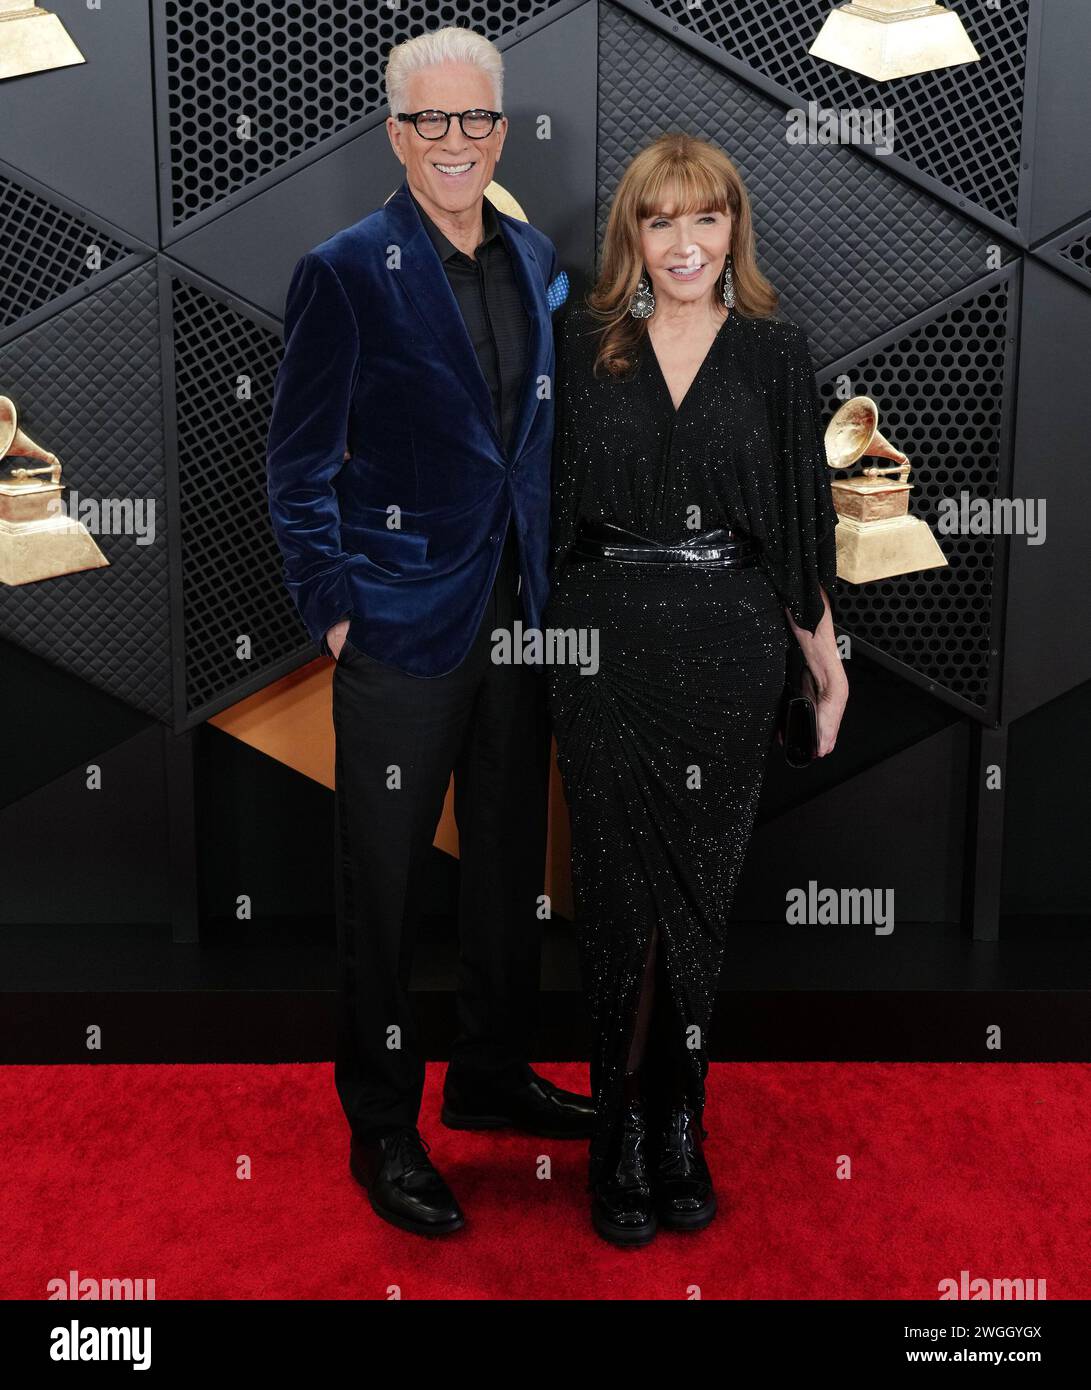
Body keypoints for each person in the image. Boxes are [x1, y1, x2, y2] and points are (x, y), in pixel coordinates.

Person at [266, 25, 593, 1240]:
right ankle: (384, 1127)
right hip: (399, 629)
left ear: (500, 131)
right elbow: (295, 468)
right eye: (428, 124)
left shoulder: (532, 256)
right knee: (388, 889)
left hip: (517, 620)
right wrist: (337, 611)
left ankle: (493, 1075)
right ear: (396, 135)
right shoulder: (345, 270)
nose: (454, 143)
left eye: (474, 123)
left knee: (508, 870)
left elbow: (536, 449)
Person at [544, 133, 849, 1246]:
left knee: (695, 912)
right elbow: (543, 515)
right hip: (604, 648)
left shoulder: (774, 352)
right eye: (659, 220)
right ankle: (618, 1128)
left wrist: (822, 666)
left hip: (727, 648)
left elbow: (801, 532)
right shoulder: (582, 345)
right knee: (621, 906)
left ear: (732, 231)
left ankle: (680, 1119)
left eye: (704, 218)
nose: (683, 242)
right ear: (632, 233)